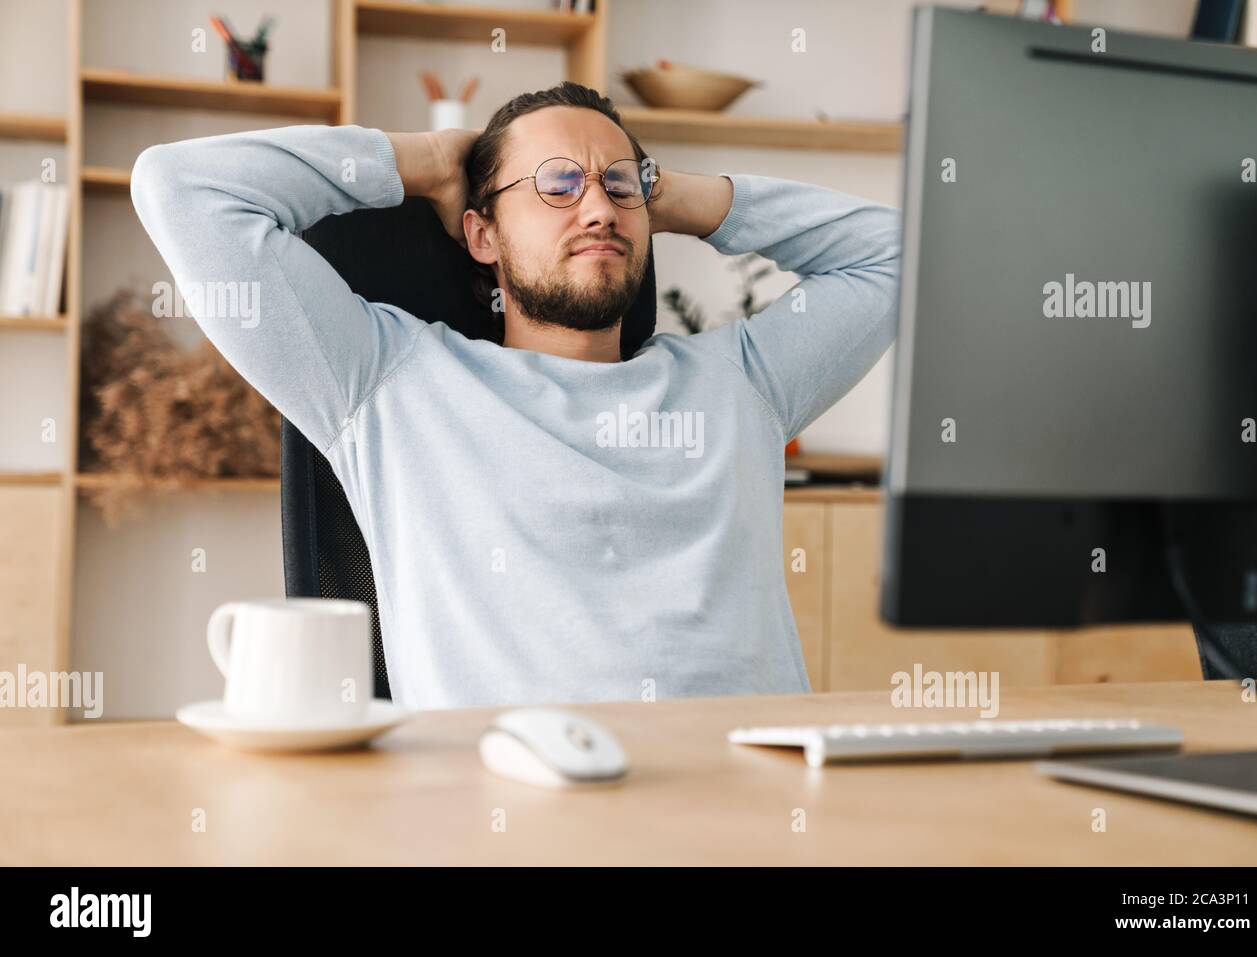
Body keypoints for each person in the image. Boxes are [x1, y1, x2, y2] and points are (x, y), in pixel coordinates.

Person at [130, 81, 901, 710]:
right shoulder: (387, 383)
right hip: (511, 819)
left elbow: (905, 254)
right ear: (482, 234)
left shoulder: (742, 382)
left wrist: (688, 199)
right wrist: (424, 159)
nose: (597, 207)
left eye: (619, 184)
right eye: (557, 183)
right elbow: (181, 189)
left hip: (752, 817)